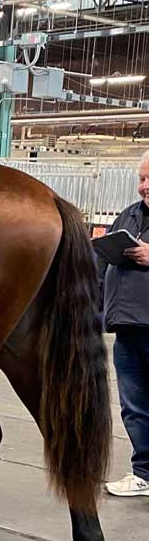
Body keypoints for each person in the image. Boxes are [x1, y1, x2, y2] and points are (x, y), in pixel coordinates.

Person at [96, 149, 149, 498]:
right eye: (141, 179)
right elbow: (103, 263)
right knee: (134, 407)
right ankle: (143, 473)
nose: (143, 186)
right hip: (127, 327)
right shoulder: (128, 215)